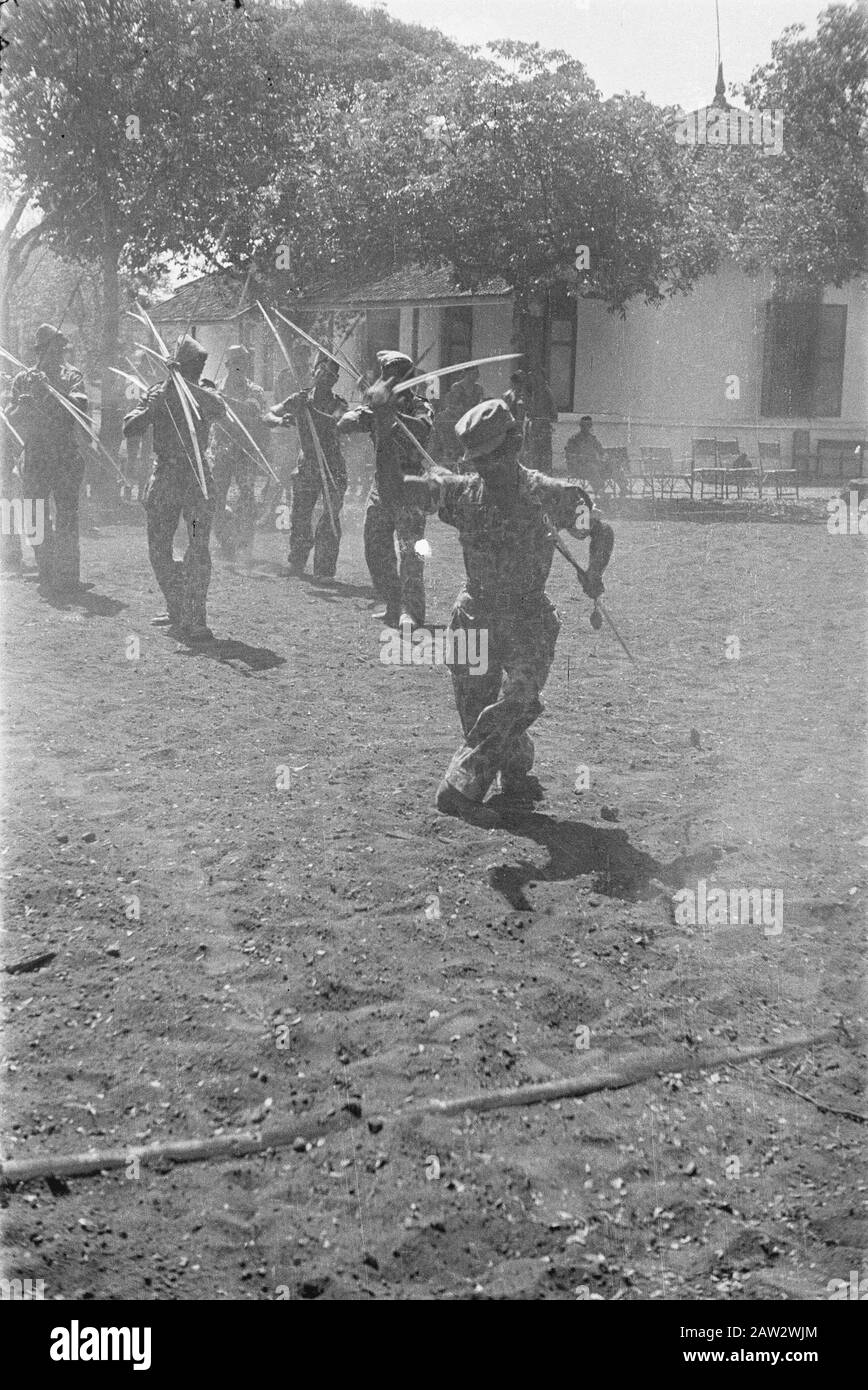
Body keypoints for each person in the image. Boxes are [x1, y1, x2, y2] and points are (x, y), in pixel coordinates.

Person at [373, 395, 615, 826]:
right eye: (480, 462)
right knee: (479, 722)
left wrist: (594, 570)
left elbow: (601, 531)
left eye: (495, 459)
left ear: (515, 446)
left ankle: (456, 789)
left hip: (528, 619)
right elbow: (394, 492)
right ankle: (516, 767)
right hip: (474, 615)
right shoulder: (462, 492)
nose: (488, 470)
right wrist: (382, 426)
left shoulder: (551, 495)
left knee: (517, 700)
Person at [123, 336, 225, 642]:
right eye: (193, 364)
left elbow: (218, 409)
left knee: (197, 546)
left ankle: (196, 617)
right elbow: (130, 427)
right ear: (179, 363)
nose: (199, 368)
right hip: (166, 477)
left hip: (196, 479)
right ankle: (176, 605)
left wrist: (185, 384)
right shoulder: (158, 392)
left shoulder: (204, 391)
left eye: (201, 365)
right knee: (158, 548)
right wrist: (161, 399)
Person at [337, 350, 433, 628]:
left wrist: (393, 416)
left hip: (411, 488)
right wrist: (368, 408)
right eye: (384, 376)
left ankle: (411, 611)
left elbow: (425, 430)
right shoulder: (377, 406)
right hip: (382, 488)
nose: (387, 381)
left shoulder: (419, 406)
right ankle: (393, 603)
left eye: (392, 377)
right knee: (375, 549)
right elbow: (344, 424)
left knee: (411, 554)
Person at [7, 324, 89, 592]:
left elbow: (80, 406)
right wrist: (24, 404)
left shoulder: (72, 376)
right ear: (40, 351)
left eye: (58, 349)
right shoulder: (24, 378)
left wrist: (51, 388)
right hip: (35, 455)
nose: (55, 354)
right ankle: (46, 570)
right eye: (48, 350)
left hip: (64, 453)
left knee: (66, 516)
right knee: (33, 517)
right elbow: (9, 417)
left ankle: (67, 577)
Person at [265, 352, 348, 579]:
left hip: (333, 467)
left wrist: (311, 411)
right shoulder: (299, 398)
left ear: (335, 380)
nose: (326, 378)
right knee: (300, 516)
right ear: (314, 372)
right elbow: (269, 414)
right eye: (322, 372)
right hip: (308, 464)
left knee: (330, 518)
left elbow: (336, 421)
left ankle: (324, 570)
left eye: (332, 375)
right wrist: (281, 420)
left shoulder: (339, 403)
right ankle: (297, 563)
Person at [210, 345, 268, 564]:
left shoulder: (255, 390)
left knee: (246, 496)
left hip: (245, 452)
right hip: (221, 451)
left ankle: (245, 540)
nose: (239, 367)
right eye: (235, 363)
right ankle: (225, 540)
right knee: (217, 497)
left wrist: (222, 401)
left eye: (242, 363)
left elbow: (253, 410)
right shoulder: (215, 388)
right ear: (227, 365)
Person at [433, 366, 483, 463]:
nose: (476, 376)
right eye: (474, 373)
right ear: (467, 374)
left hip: (472, 416)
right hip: (456, 416)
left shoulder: (478, 388)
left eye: (477, 373)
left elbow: (479, 405)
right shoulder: (457, 387)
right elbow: (453, 405)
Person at [526, 367, 558, 472]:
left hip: (543, 426)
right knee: (534, 452)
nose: (535, 378)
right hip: (535, 425)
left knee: (544, 453)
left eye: (538, 376)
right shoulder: (534, 390)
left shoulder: (546, 390)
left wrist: (548, 419)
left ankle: (545, 473)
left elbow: (553, 408)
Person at [564, 415, 605, 495]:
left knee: (613, 464)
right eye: (585, 425)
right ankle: (600, 490)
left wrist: (605, 456)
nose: (587, 427)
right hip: (579, 467)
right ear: (581, 426)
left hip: (594, 464)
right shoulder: (574, 439)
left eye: (589, 425)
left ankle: (624, 488)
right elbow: (569, 454)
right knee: (591, 467)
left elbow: (601, 450)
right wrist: (581, 458)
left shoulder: (592, 438)